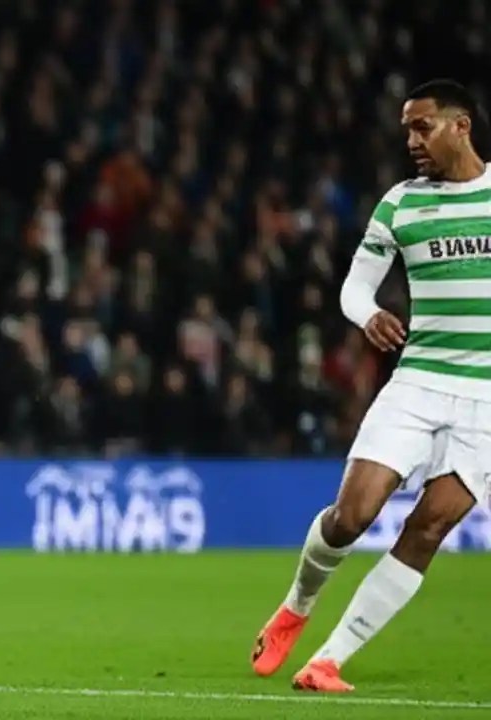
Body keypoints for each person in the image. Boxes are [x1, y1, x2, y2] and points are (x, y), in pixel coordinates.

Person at [251, 79, 491, 692]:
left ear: (461, 126)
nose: (411, 140)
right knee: (352, 517)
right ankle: (295, 608)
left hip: (485, 399)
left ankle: (327, 660)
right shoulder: (402, 204)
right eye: (407, 128)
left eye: (423, 126)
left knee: (430, 528)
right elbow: (355, 288)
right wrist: (368, 314)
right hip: (418, 383)